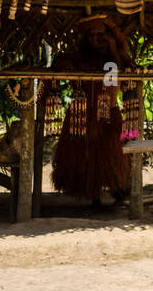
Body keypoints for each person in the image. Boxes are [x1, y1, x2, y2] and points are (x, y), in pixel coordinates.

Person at [48, 14, 134, 209]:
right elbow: (59, 64)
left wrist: (112, 45)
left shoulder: (117, 58)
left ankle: (117, 188)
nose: (96, 41)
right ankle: (91, 193)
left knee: (111, 152)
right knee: (84, 152)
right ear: (85, 39)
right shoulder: (79, 58)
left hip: (108, 112)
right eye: (92, 36)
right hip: (82, 113)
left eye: (100, 36)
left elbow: (123, 68)